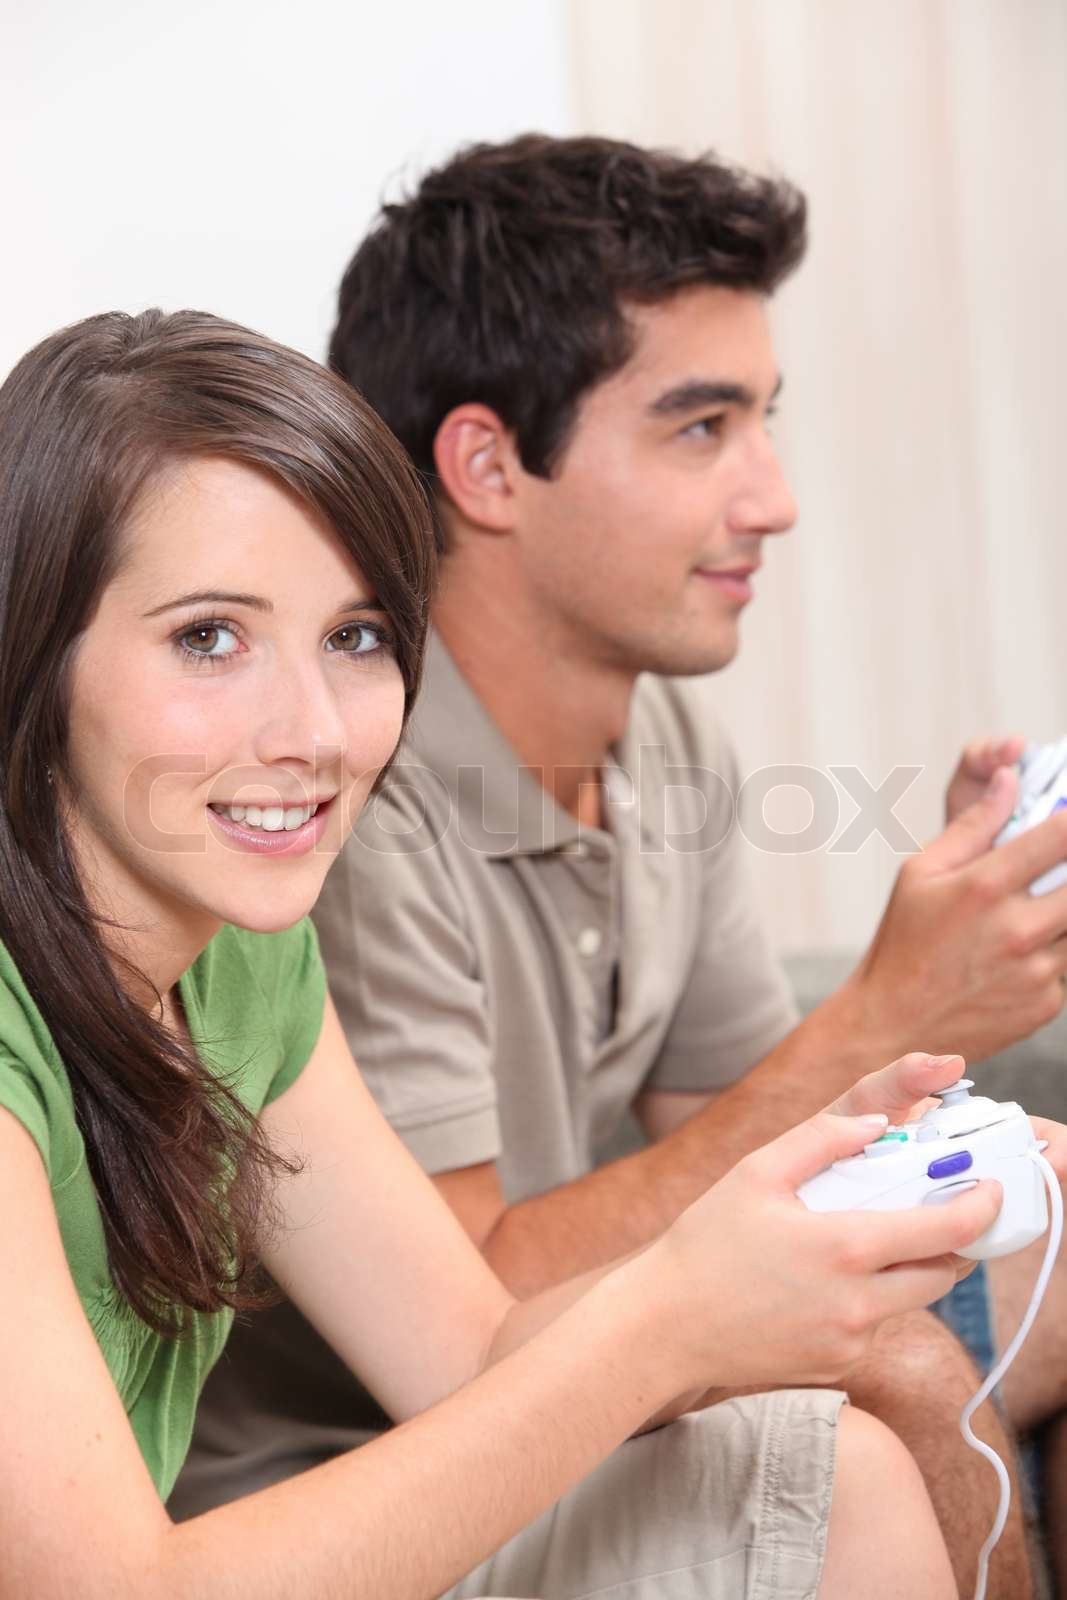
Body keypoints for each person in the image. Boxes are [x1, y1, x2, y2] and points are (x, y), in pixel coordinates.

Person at [0, 306, 1026, 1600]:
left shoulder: (244, 962)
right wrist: (668, 1319)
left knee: (840, 1475)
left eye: (356, 638)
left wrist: (770, 1237)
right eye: (210, 638)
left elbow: (467, 1349)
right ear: (32, 653)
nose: (315, 732)